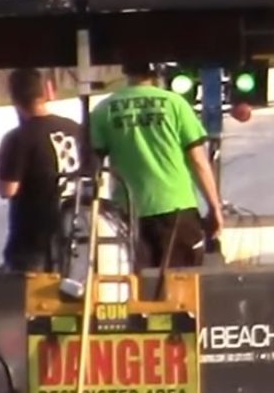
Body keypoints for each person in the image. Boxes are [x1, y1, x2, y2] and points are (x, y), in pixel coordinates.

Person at [89, 61, 224, 269]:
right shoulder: (175, 104)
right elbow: (198, 161)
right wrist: (214, 207)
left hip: (128, 211)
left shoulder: (103, 110)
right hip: (176, 207)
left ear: (126, 72)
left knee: (138, 280)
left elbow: (93, 164)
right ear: (157, 73)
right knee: (182, 280)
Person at [0, 68, 90, 273]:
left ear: (14, 99)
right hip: (75, 229)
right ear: (47, 91)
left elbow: (7, 189)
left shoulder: (18, 138)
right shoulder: (74, 128)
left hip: (33, 239)